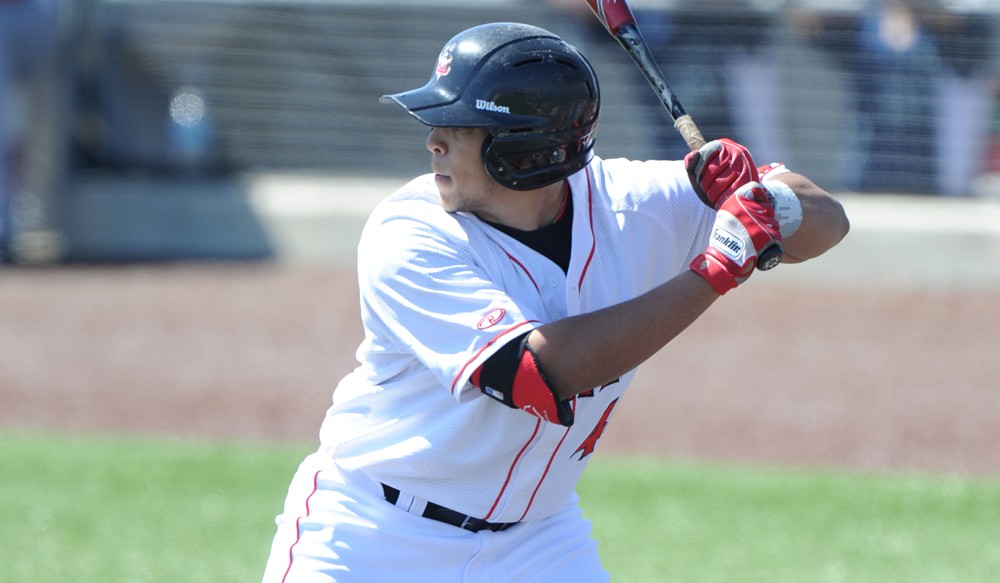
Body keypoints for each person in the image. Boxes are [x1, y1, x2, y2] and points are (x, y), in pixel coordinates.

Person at [262, 22, 849, 582]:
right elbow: (539, 374)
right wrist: (714, 271)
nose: (432, 142)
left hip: (536, 541)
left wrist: (766, 199)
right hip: (374, 533)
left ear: (523, 148)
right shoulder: (410, 234)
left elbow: (830, 221)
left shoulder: (631, 204)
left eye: (458, 126)